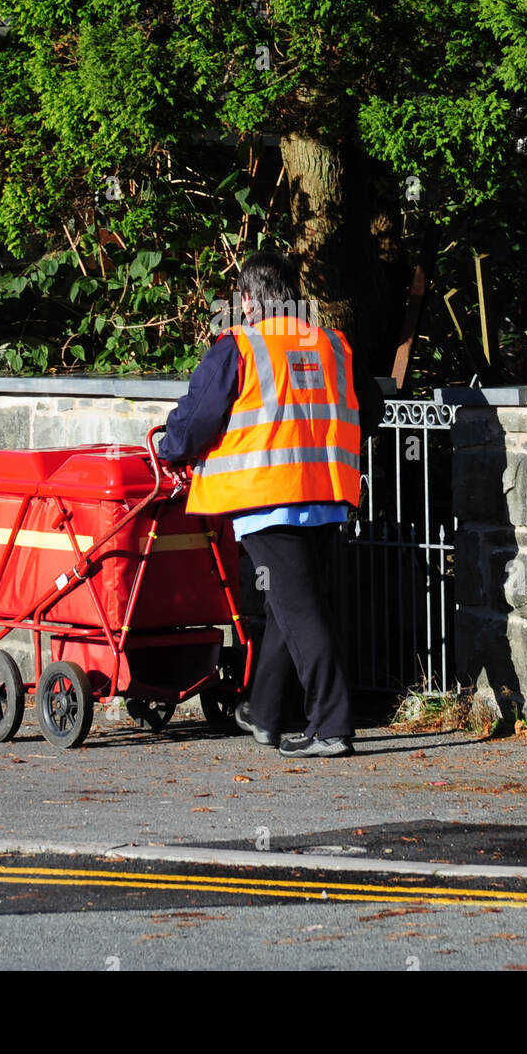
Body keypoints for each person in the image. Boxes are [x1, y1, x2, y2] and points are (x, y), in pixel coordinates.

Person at [157, 251, 383, 757]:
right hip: (326, 494)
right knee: (290, 606)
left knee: (301, 612)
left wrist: (169, 450)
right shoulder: (334, 343)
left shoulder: (239, 345)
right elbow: (372, 410)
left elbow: (194, 422)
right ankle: (264, 711)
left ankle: (331, 726)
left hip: (267, 500)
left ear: (248, 301)